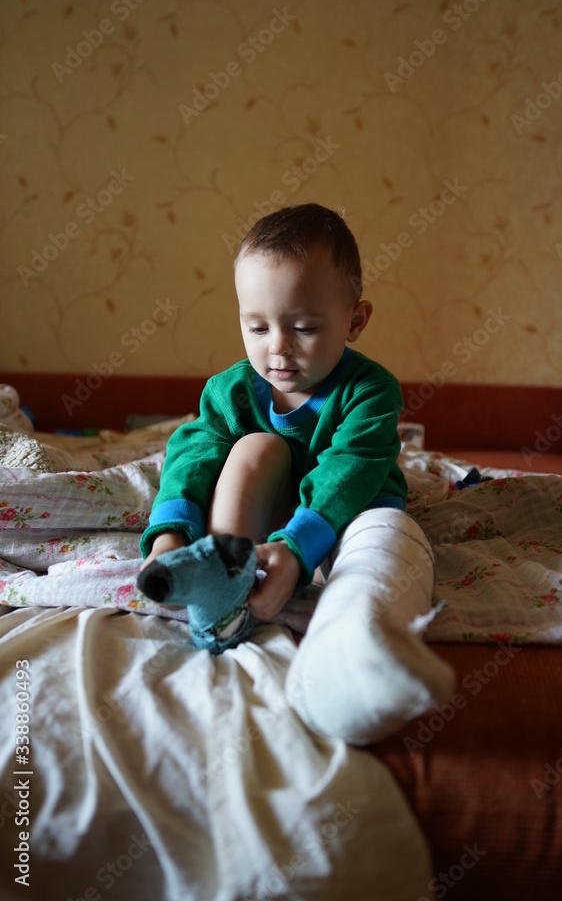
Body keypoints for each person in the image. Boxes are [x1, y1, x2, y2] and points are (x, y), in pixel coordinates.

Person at [138, 203, 455, 744]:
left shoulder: (371, 392)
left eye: (304, 327)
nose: (277, 347)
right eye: (257, 326)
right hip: (260, 522)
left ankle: (359, 652)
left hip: (347, 516)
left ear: (356, 321)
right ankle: (223, 588)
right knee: (251, 448)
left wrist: (297, 550)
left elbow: (351, 468)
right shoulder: (231, 390)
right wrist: (170, 532)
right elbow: (191, 452)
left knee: (389, 536)